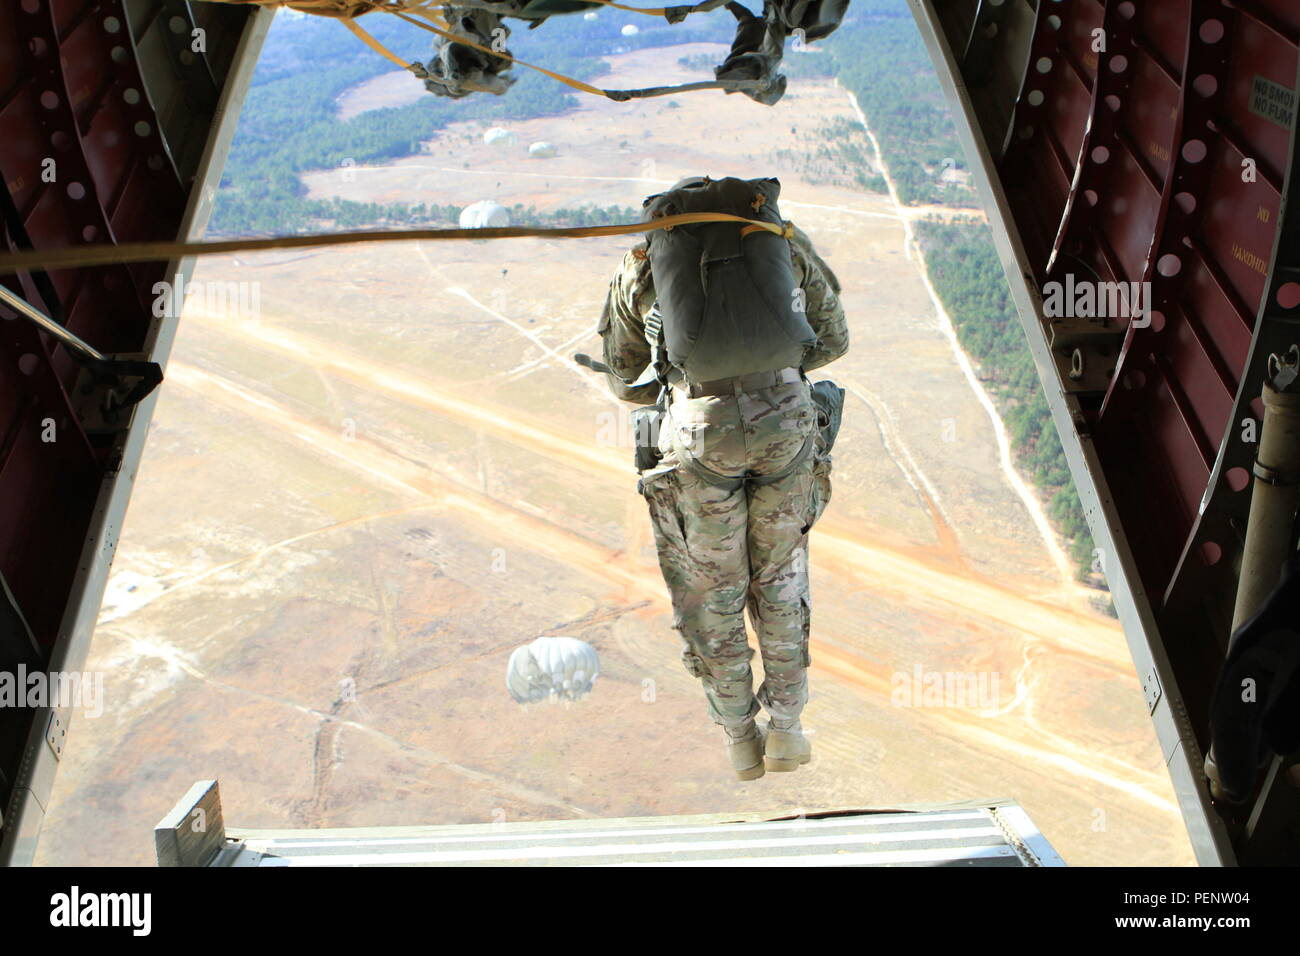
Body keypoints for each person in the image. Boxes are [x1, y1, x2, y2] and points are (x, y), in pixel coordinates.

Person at [595, 176, 848, 779]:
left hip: (701, 433)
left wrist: (677, 368)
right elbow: (831, 341)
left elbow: (623, 373)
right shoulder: (777, 239)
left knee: (715, 590)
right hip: (786, 423)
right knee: (780, 577)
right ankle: (787, 730)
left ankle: (740, 738)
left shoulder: (646, 262)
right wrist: (772, 369)